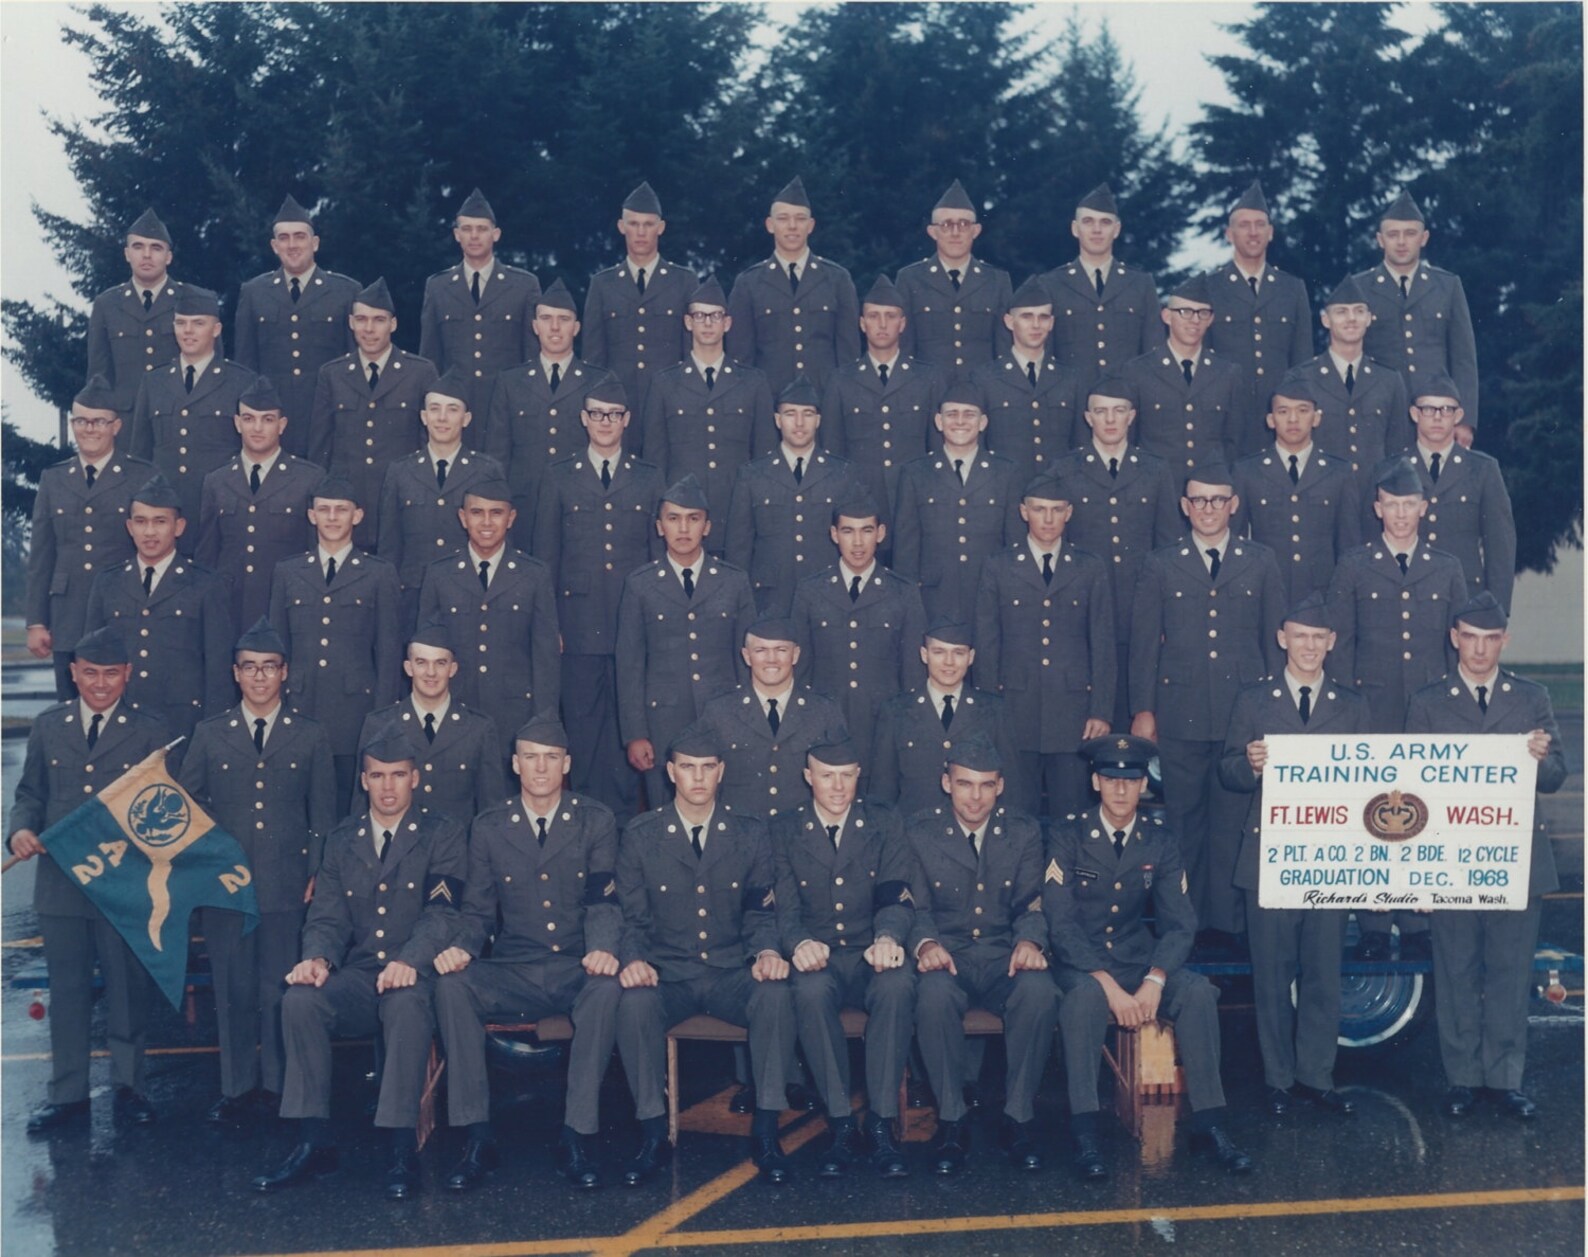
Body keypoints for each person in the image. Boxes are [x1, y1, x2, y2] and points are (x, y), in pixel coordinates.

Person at [252, 735, 466, 1199]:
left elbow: (443, 914)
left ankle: (400, 1146)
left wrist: (410, 960)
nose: (388, 787)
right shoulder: (342, 838)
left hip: (417, 972)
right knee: (300, 1000)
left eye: (398, 775)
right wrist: (318, 959)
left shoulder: (441, 833)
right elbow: (327, 916)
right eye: (377, 776)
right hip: (362, 972)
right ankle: (312, 1140)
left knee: (405, 1005)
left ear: (415, 778)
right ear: (364, 780)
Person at [431, 714, 624, 1189]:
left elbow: (603, 899)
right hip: (514, 967)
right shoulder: (490, 826)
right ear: (515, 764)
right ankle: (477, 1137)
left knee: (606, 988)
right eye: (531, 758)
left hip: (575, 965)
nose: (540, 768)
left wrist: (602, 948)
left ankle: (576, 1135)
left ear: (567, 764)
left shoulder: (595, 820)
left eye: (551, 758)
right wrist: (460, 948)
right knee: (452, 986)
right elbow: (477, 912)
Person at [1047, 735, 1252, 1179]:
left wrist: (1155, 979)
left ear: (1144, 785)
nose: (1121, 789)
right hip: (1081, 962)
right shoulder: (1067, 835)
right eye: (1111, 779)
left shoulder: (1159, 841)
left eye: (1131, 780)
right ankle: (1085, 1131)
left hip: (1135, 956)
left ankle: (1210, 1124)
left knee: (1198, 992)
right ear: (1096, 782)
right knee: (1084, 999)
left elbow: (1181, 923)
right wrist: (1109, 987)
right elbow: (1060, 926)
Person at [1405, 593, 1568, 1120]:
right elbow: (1412, 790)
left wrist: (1540, 758)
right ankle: (1462, 1079)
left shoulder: (1531, 697)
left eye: (1490, 639)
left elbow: (1555, 776)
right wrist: (1420, 874)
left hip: (1515, 861)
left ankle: (1504, 1080)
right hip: (1452, 862)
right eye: (1470, 638)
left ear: (1504, 641)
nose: (1479, 650)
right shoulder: (1428, 703)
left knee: (1508, 973)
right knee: (1455, 972)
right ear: (1454, 638)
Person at [613, 724, 800, 1184]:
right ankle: (653, 1133)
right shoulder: (641, 834)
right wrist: (634, 960)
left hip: (729, 972)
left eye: (707, 768)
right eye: (688, 768)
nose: (698, 777)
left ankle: (766, 1130)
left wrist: (766, 952)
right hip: (669, 973)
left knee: (775, 994)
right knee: (634, 1003)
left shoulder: (749, 832)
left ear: (721, 772)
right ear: (670, 773)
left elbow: (760, 910)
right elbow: (631, 917)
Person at [6, 626, 169, 1132]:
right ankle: (68, 1096)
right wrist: (21, 830)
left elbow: (163, 809)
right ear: (74, 673)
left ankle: (130, 1088)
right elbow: (30, 793)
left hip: (123, 885)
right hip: (61, 885)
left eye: (111, 674)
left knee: (127, 991)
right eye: (91, 673)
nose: (100, 684)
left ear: (128, 675)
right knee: (69, 991)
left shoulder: (149, 731)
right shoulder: (49, 726)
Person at [179, 618, 337, 1123]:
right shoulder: (209, 734)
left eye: (269, 667)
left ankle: (278, 1084)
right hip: (226, 886)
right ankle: (237, 1087)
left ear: (285, 672)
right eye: (249, 668)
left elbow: (323, 814)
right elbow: (187, 807)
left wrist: (317, 870)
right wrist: (210, 862)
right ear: (235, 674)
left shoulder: (310, 734)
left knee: (278, 987)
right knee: (232, 989)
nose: (260, 677)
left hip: (288, 884)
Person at [1218, 593, 1366, 1118]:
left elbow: (1369, 783)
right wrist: (1249, 764)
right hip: (1270, 859)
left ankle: (1316, 1077)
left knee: (1323, 973)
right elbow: (1228, 772)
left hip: (1329, 859)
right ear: (1282, 639)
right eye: (1300, 636)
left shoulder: (1352, 705)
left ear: (1332, 642)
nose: (1309, 646)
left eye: (1318, 637)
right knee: (1272, 975)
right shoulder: (1254, 700)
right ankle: (1278, 1080)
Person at [1129, 466, 1284, 939]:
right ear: (1185, 506)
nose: (1208, 509)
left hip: (1242, 717)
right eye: (1199, 500)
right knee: (1185, 823)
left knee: (1234, 822)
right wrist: (1144, 710)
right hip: (1181, 714)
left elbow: (1273, 640)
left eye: (1218, 500)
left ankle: (1230, 927)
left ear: (1234, 504)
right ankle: (1187, 927)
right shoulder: (1160, 564)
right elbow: (1143, 645)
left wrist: (1273, 712)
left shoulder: (1261, 560)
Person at [1325, 455, 1469, 962]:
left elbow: (1457, 645)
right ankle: (1373, 921)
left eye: (1409, 504)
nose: (1401, 514)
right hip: (1373, 709)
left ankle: (1415, 920)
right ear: (1377, 508)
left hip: (1429, 712)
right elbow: (1340, 645)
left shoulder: (1447, 568)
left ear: (1424, 508)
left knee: (1423, 813)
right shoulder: (1354, 565)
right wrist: (1346, 708)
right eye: (1392, 505)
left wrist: (1454, 707)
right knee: (1375, 815)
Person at [904, 734, 1057, 1175]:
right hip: (946, 953)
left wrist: (1029, 942)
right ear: (946, 783)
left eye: (986, 785)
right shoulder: (919, 831)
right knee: (932, 997)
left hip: (1000, 954)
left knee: (1039, 992)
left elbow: (1032, 901)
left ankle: (1018, 1117)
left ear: (1000, 786)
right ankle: (952, 1120)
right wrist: (926, 944)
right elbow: (914, 905)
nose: (975, 797)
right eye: (965, 784)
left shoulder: (1022, 831)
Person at [772, 739, 915, 1178]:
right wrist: (798, 943)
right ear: (808, 777)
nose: (838, 787)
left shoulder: (884, 821)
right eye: (827, 776)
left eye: (847, 776)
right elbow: (782, 907)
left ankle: (881, 1123)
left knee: (898, 984)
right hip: (819, 954)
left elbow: (895, 893)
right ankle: (840, 1123)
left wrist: (887, 936)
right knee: (809, 992)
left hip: (869, 949)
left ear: (858, 776)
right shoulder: (784, 829)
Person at [532, 376, 665, 820]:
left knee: (631, 733)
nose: (605, 422)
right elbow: (545, 559)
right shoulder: (558, 476)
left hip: (633, 625)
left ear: (626, 420)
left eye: (613, 415)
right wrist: (551, 627)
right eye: (596, 414)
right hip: (578, 627)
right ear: (583, 419)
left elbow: (657, 558)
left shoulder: (648, 478)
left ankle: (626, 831)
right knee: (585, 733)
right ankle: (591, 830)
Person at [974, 471, 1115, 817]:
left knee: (1071, 813)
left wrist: (1100, 710)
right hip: (1014, 710)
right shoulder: (999, 566)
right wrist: (989, 712)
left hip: (1073, 714)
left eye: (1056, 510)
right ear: (1024, 512)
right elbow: (988, 645)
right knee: (1015, 812)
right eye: (1039, 509)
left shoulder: (1089, 567)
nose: (1048, 519)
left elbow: (1102, 643)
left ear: (1069, 512)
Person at [1050, 375, 1183, 731]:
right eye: (1101, 411)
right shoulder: (1065, 469)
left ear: (1132, 416)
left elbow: (1169, 549)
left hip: (1140, 610)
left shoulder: (1155, 469)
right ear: (1087, 418)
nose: (1110, 419)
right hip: (1080, 611)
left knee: (1138, 708)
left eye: (1119, 411)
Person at [615, 474, 756, 808]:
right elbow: (630, 664)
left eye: (693, 519)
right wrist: (635, 733)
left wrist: (748, 719)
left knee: (728, 808)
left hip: (723, 718)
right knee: (665, 811)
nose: (683, 529)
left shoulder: (733, 581)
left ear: (707, 527)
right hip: (662, 722)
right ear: (659, 526)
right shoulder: (640, 584)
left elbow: (747, 659)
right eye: (673, 519)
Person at [268, 474, 403, 812]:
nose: (332, 517)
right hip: (299, 706)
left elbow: (388, 653)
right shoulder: (288, 572)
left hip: (354, 713)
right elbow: (277, 650)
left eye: (341, 510)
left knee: (347, 804)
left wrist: (379, 720)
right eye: (324, 509)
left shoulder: (379, 573)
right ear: (311, 515)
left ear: (357, 515)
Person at [84, 472, 235, 746]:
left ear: (179, 527)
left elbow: (219, 672)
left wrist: (213, 738)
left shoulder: (205, 584)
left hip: (182, 727)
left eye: (160, 521)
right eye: (141, 522)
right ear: (130, 527)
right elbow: (91, 663)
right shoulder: (108, 582)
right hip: (121, 726)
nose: (149, 532)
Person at [25, 374, 153, 699]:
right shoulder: (53, 479)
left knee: (127, 706)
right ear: (72, 425)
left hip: (122, 611)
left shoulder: (141, 477)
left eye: (99, 421)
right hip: (67, 615)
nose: (90, 429)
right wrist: (36, 621)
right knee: (70, 706)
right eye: (81, 421)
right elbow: (41, 556)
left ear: (116, 426)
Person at [415, 478, 560, 762]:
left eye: (496, 513)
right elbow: (427, 651)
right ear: (463, 517)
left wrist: (543, 723)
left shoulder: (534, 575)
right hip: (455, 709)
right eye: (477, 512)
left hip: (514, 712)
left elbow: (546, 659)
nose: (486, 522)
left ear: (511, 518)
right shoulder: (439, 574)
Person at [791, 497, 927, 765]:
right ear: (834, 534)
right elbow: (800, 668)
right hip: (825, 725)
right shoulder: (810, 590)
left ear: (881, 533)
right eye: (847, 531)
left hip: (883, 724)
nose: (857, 542)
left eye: (866, 530)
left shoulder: (903, 592)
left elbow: (913, 672)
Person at [639, 275, 776, 539]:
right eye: (700, 316)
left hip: (737, 512)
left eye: (715, 316)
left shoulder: (753, 382)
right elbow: (655, 461)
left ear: (727, 323)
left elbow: (764, 457)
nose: (708, 323)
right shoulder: (664, 383)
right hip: (683, 516)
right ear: (688, 322)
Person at [307, 277, 438, 550]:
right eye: (361, 319)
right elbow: (320, 449)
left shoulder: (420, 372)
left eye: (378, 320)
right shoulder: (332, 374)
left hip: (402, 504)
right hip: (347, 508)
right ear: (351, 323)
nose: (369, 329)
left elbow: (430, 446)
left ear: (393, 324)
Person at [127, 286, 259, 548]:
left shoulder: (241, 382)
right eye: (181, 323)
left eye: (198, 323)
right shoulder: (154, 382)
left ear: (216, 329)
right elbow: (140, 457)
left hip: (221, 514)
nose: (188, 331)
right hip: (165, 517)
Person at [376, 367, 505, 632]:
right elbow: (390, 548)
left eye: (452, 409)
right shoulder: (400, 471)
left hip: (470, 595)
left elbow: (499, 541)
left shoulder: (486, 470)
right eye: (434, 409)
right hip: (413, 597)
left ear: (466, 419)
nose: (442, 418)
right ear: (424, 416)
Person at [232, 195, 361, 459]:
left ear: (315, 243)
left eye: (300, 237)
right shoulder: (254, 293)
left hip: (327, 417)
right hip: (271, 421)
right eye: (284, 238)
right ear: (274, 246)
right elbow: (245, 365)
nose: (292, 245)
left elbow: (354, 365)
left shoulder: (345, 291)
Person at [194, 374, 324, 631]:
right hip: (230, 610)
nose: (257, 428)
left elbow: (315, 554)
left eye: (267, 419)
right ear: (237, 423)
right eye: (248, 418)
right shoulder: (216, 481)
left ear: (282, 425)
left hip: (285, 608)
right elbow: (207, 558)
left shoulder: (308, 479)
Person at [725, 376, 862, 616]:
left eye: (807, 414)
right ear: (778, 420)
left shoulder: (842, 473)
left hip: (829, 598)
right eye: (790, 414)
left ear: (818, 420)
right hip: (769, 598)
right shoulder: (752, 474)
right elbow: (739, 548)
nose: (799, 422)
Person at [890, 381, 1025, 624]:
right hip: (933, 600)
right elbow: (905, 552)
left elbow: (1014, 546)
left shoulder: (1006, 473)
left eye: (969, 414)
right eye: (952, 414)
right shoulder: (915, 473)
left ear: (983, 422)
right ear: (938, 421)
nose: (960, 421)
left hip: (990, 599)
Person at [483, 279, 605, 543]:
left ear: (576, 328)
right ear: (535, 326)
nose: (555, 327)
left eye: (564, 319)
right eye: (546, 318)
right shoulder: (510, 382)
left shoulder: (598, 382)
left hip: (579, 504)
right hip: (525, 506)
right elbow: (497, 455)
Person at [1353, 190, 1479, 441]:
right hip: (1378, 415)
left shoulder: (1447, 286)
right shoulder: (1359, 288)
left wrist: (1464, 422)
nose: (1401, 242)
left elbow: (1463, 359)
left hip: (1437, 415)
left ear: (1424, 238)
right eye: (1393, 234)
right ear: (1380, 240)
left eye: (1410, 233)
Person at [696, 619, 850, 821]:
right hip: (740, 830)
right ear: (746, 656)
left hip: (802, 830)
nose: (771, 659)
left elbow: (841, 783)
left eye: (781, 650)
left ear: (795, 655)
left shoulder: (824, 710)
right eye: (760, 650)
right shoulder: (720, 711)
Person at [354, 620, 506, 823]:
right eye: (421, 662)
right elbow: (360, 810)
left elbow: (491, 814)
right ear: (408, 668)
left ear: (452, 669)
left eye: (440, 663)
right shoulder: (379, 724)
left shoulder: (478, 729)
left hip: (457, 842)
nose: (431, 672)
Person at [822, 274, 946, 517]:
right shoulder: (841, 380)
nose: (882, 324)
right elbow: (832, 452)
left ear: (902, 323)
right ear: (862, 323)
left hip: (916, 501)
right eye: (873, 316)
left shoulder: (927, 378)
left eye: (890, 316)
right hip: (860, 503)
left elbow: (938, 450)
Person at [1202, 181, 1313, 448]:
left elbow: (1302, 361)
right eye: (1244, 225)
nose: (1253, 233)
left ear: (1270, 233)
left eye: (1260, 225)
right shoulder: (1209, 288)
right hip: (1227, 421)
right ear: (1229, 234)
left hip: (1280, 425)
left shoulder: (1292, 289)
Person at [1230, 381, 1361, 606]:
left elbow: (1348, 547)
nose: (1293, 419)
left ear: (1316, 418)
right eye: (1283, 411)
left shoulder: (1339, 472)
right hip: (1264, 595)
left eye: (1302, 410)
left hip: (1321, 597)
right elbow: (1236, 543)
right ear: (1270, 420)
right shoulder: (1247, 471)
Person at [870, 619, 1018, 818]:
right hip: (913, 831)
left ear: (971, 657)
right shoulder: (896, 711)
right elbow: (882, 793)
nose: (949, 662)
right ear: (924, 655)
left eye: (958, 653)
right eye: (939, 652)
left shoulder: (994, 710)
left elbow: (1011, 789)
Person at [726, 176, 860, 395]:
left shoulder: (837, 279)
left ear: (811, 225)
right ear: (770, 225)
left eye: (800, 218)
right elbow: (741, 360)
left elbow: (849, 356)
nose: (792, 226)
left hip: (824, 401)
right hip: (769, 402)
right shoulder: (748, 283)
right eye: (783, 218)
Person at [418, 187, 540, 420]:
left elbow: (532, 357)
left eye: (482, 229)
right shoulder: (438, 287)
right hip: (454, 411)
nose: (474, 236)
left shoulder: (523, 286)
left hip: (507, 408)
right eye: (467, 229)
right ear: (457, 235)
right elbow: (430, 357)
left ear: (496, 234)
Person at [581, 181, 696, 425]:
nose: (641, 232)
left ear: (661, 228)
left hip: (671, 405)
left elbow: (692, 352)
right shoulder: (603, 284)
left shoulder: (684, 281)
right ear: (621, 227)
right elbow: (594, 359)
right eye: (633, 224)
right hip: (617, 410)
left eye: (648, 224)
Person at [1399, 376, 1516, 610]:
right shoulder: (1393, 468)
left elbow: (1500, 544)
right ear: (1414, 414)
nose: (1437, 417)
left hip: (1464, 600)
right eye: (1428, 408)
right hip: (1406, 600)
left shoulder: (1482, 469)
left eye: (1447, 409)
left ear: (1459, 415)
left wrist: (1496, 611)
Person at [1120, 274, 1245, 476]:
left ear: (1211, 319)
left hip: (1209, 491)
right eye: (1185, 312)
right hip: (1155, 487)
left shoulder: (1228, 373)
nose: (1195, 320)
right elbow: (1129, 441)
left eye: (1203, 313)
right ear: (1167, 316)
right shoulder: (1138, 371)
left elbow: (1234, 443)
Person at [1040, 183, 1158, 390]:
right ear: (1075, 229)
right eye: (1088, 222)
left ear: (1116, 229)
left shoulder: (1141, 284)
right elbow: (1044, 356)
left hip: (1126, 402)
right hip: (1072, 402)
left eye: (1105, 222)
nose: (1096, 230)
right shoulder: (1051, 285)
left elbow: (1152, 356)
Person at [1288, 274, 1407, 477]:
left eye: (1359, 311)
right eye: (1341, 312)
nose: (1351, 318)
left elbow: (1397, 451)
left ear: (1369, 318)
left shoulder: (1390, 380)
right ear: (1326, 320)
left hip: (1373, 492)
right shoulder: (1301, 378)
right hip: (1321, 490)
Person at [971, 276, 1083, 481]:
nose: (1036, 325)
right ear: (1009, 322)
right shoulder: (985, 378)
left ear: (1051, 323)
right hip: (1004, 489)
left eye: (1043, 317)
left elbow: (1080, 448)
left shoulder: (1070, 378)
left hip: (1057, 491)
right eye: (1027, 317)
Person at [895, 179, 1014, 372]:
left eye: (964, 224)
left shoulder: (997, 281)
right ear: (932, 232)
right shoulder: (910, 279)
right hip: (928, 388)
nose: (955, 232)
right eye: (946, 225)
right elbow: (904, 347)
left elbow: (1004, 350)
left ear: (976, 231)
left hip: (981, 388)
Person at [86, 207, 185, 416]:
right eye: (138, 247)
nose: (146, 255)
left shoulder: (189, 301)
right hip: (125, 423)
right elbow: (99, 377)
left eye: (156, 248)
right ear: (127, 254)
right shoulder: (107, 305)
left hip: (176, 421)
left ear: (168, 257)